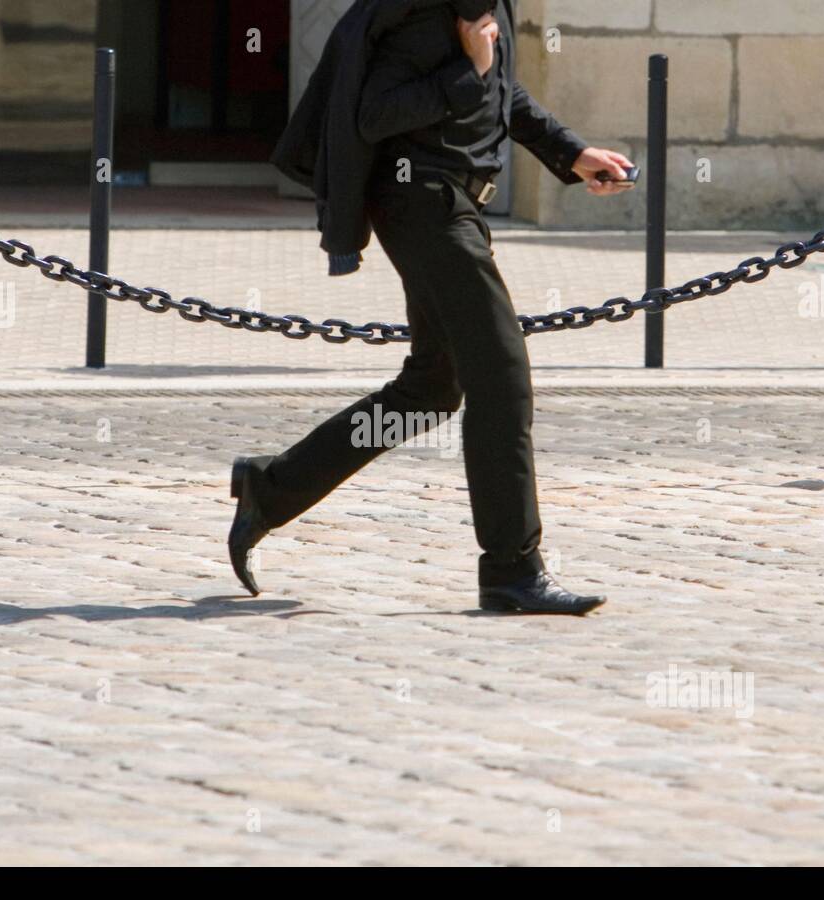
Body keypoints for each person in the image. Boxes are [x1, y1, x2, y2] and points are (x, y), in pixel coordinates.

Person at [230, 0, 635, 614]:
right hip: (423, 203)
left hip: (448, 206)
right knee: (501, 381)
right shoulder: (422, 11)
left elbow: (499, 89)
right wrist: (467, 71)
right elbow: (375, 114)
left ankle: (273, 489)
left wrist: (570, 153)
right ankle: (512, 570)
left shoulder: (475, 6)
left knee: (430, 390)